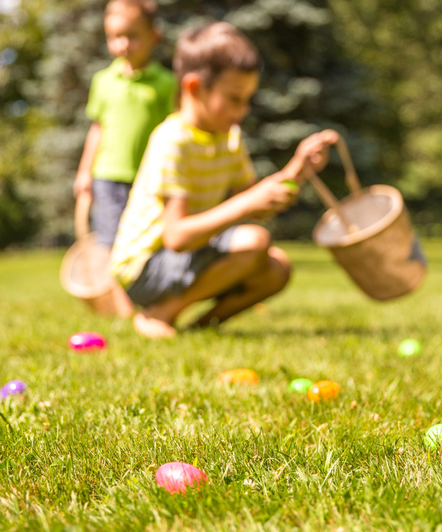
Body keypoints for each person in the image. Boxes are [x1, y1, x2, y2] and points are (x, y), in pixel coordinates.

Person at [110, 22, 338, 338]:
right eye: (234, 99)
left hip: (187, 255)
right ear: (194, 88)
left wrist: (297, 173)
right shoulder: (173, 141)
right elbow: (176, 235)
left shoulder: (228, 136)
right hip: (144, 268)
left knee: (277, 268)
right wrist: (246, 205)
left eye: (247, 99)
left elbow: (255, 202)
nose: (242, 110)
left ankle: (201, 328)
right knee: (254, 241)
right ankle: (161, 312)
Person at [73, 0, 176, 249]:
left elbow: (174, 133)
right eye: (115, 37)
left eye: (132, 36)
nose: (123, 44)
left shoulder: (167, 84)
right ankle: (111, 290)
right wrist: (85, 172)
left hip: (150, 179)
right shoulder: (103, 81)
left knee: (146, 243)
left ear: (154, 36)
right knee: (109, 243)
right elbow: (97, 128)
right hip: (107, 177)